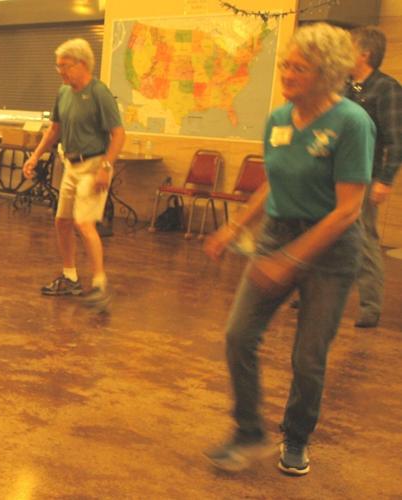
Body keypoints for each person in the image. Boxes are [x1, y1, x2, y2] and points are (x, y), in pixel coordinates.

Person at [202, 23, 374, 476]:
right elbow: (273, 182)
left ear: (326, 73)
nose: (287, 72)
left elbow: (347, 212)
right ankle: (248, 431)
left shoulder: (352, 124)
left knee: (308, 355)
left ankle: (296, 438)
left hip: (329, 251)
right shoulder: (279, 119)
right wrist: (234, 227)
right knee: (239, 335)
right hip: (277, 234)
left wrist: (291, 260)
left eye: (299, 67)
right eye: (286, 63)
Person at [21, 38, 125, 311]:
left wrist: (106, 167)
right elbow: (54, 129)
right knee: (62, 221)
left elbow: (118, 134)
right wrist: (35, 155)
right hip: (70, 164)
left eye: (64, 66)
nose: (60, 71)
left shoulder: (99, 93)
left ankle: (100, 284)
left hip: (94, 164)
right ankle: (70, 277)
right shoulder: (63, 93)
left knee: (83, 223)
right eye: (58, 67)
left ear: (81, 64)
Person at [346, 26, 402, 328]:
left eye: (349, 48)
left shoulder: (386, 88)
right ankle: (312, 292)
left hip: (364, 175)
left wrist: (385, 179)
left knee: (364, 238)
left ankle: (370, 305)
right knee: (324, 233)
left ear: (364, 54)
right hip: (334, 173)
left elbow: (396, 139)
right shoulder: (345, 86)